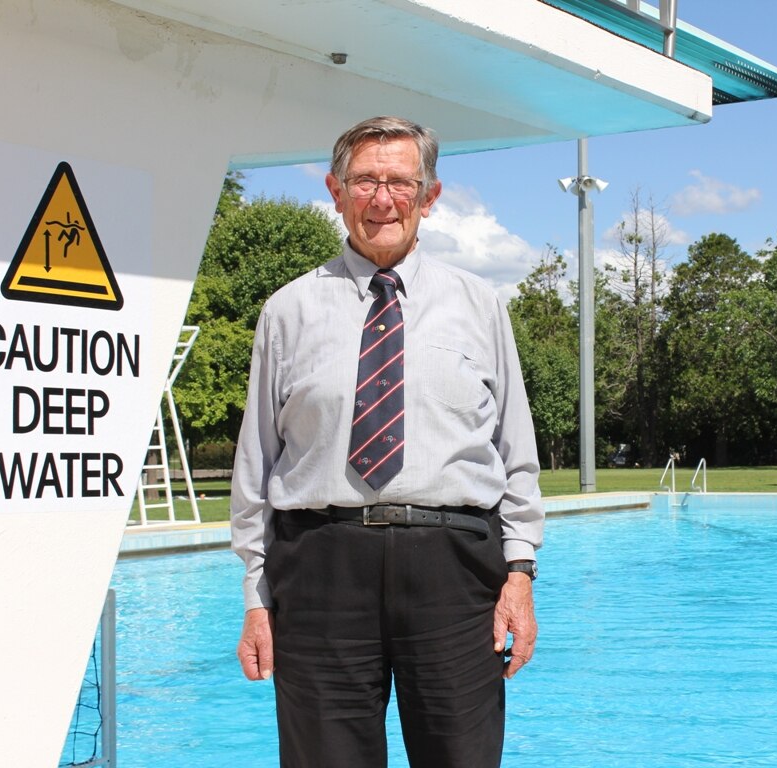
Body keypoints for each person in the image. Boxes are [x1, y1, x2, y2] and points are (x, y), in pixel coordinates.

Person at [230, 115, 544, 768]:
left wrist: (520, 573)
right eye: (365, 181)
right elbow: (256, 465)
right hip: (318, 569)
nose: (382, 199)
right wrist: (258, 600)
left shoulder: (479, 304)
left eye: (400, 182)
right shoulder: (286, 311)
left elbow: (517, 453)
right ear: (335, 190)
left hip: (456, 573)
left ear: (429, 196)